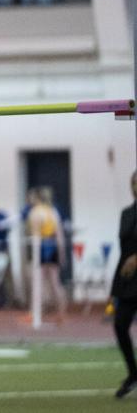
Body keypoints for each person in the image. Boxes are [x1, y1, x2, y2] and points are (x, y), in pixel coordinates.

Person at [112, 171, 137, 399]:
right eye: (133, 182)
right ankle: (133, 374)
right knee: (120, 324)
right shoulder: (127, 213)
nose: (134, 186)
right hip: (129, 280)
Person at [26, 186, 68, 322]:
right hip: (53, 246)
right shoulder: (52, 211)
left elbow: (35, 233)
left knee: (38, 280)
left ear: (36, 198)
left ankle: (37, 312)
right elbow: (59, 233)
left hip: (42, 247)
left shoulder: (35, 212)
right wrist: (61, 253)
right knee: (55, 281)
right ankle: (61, 311)